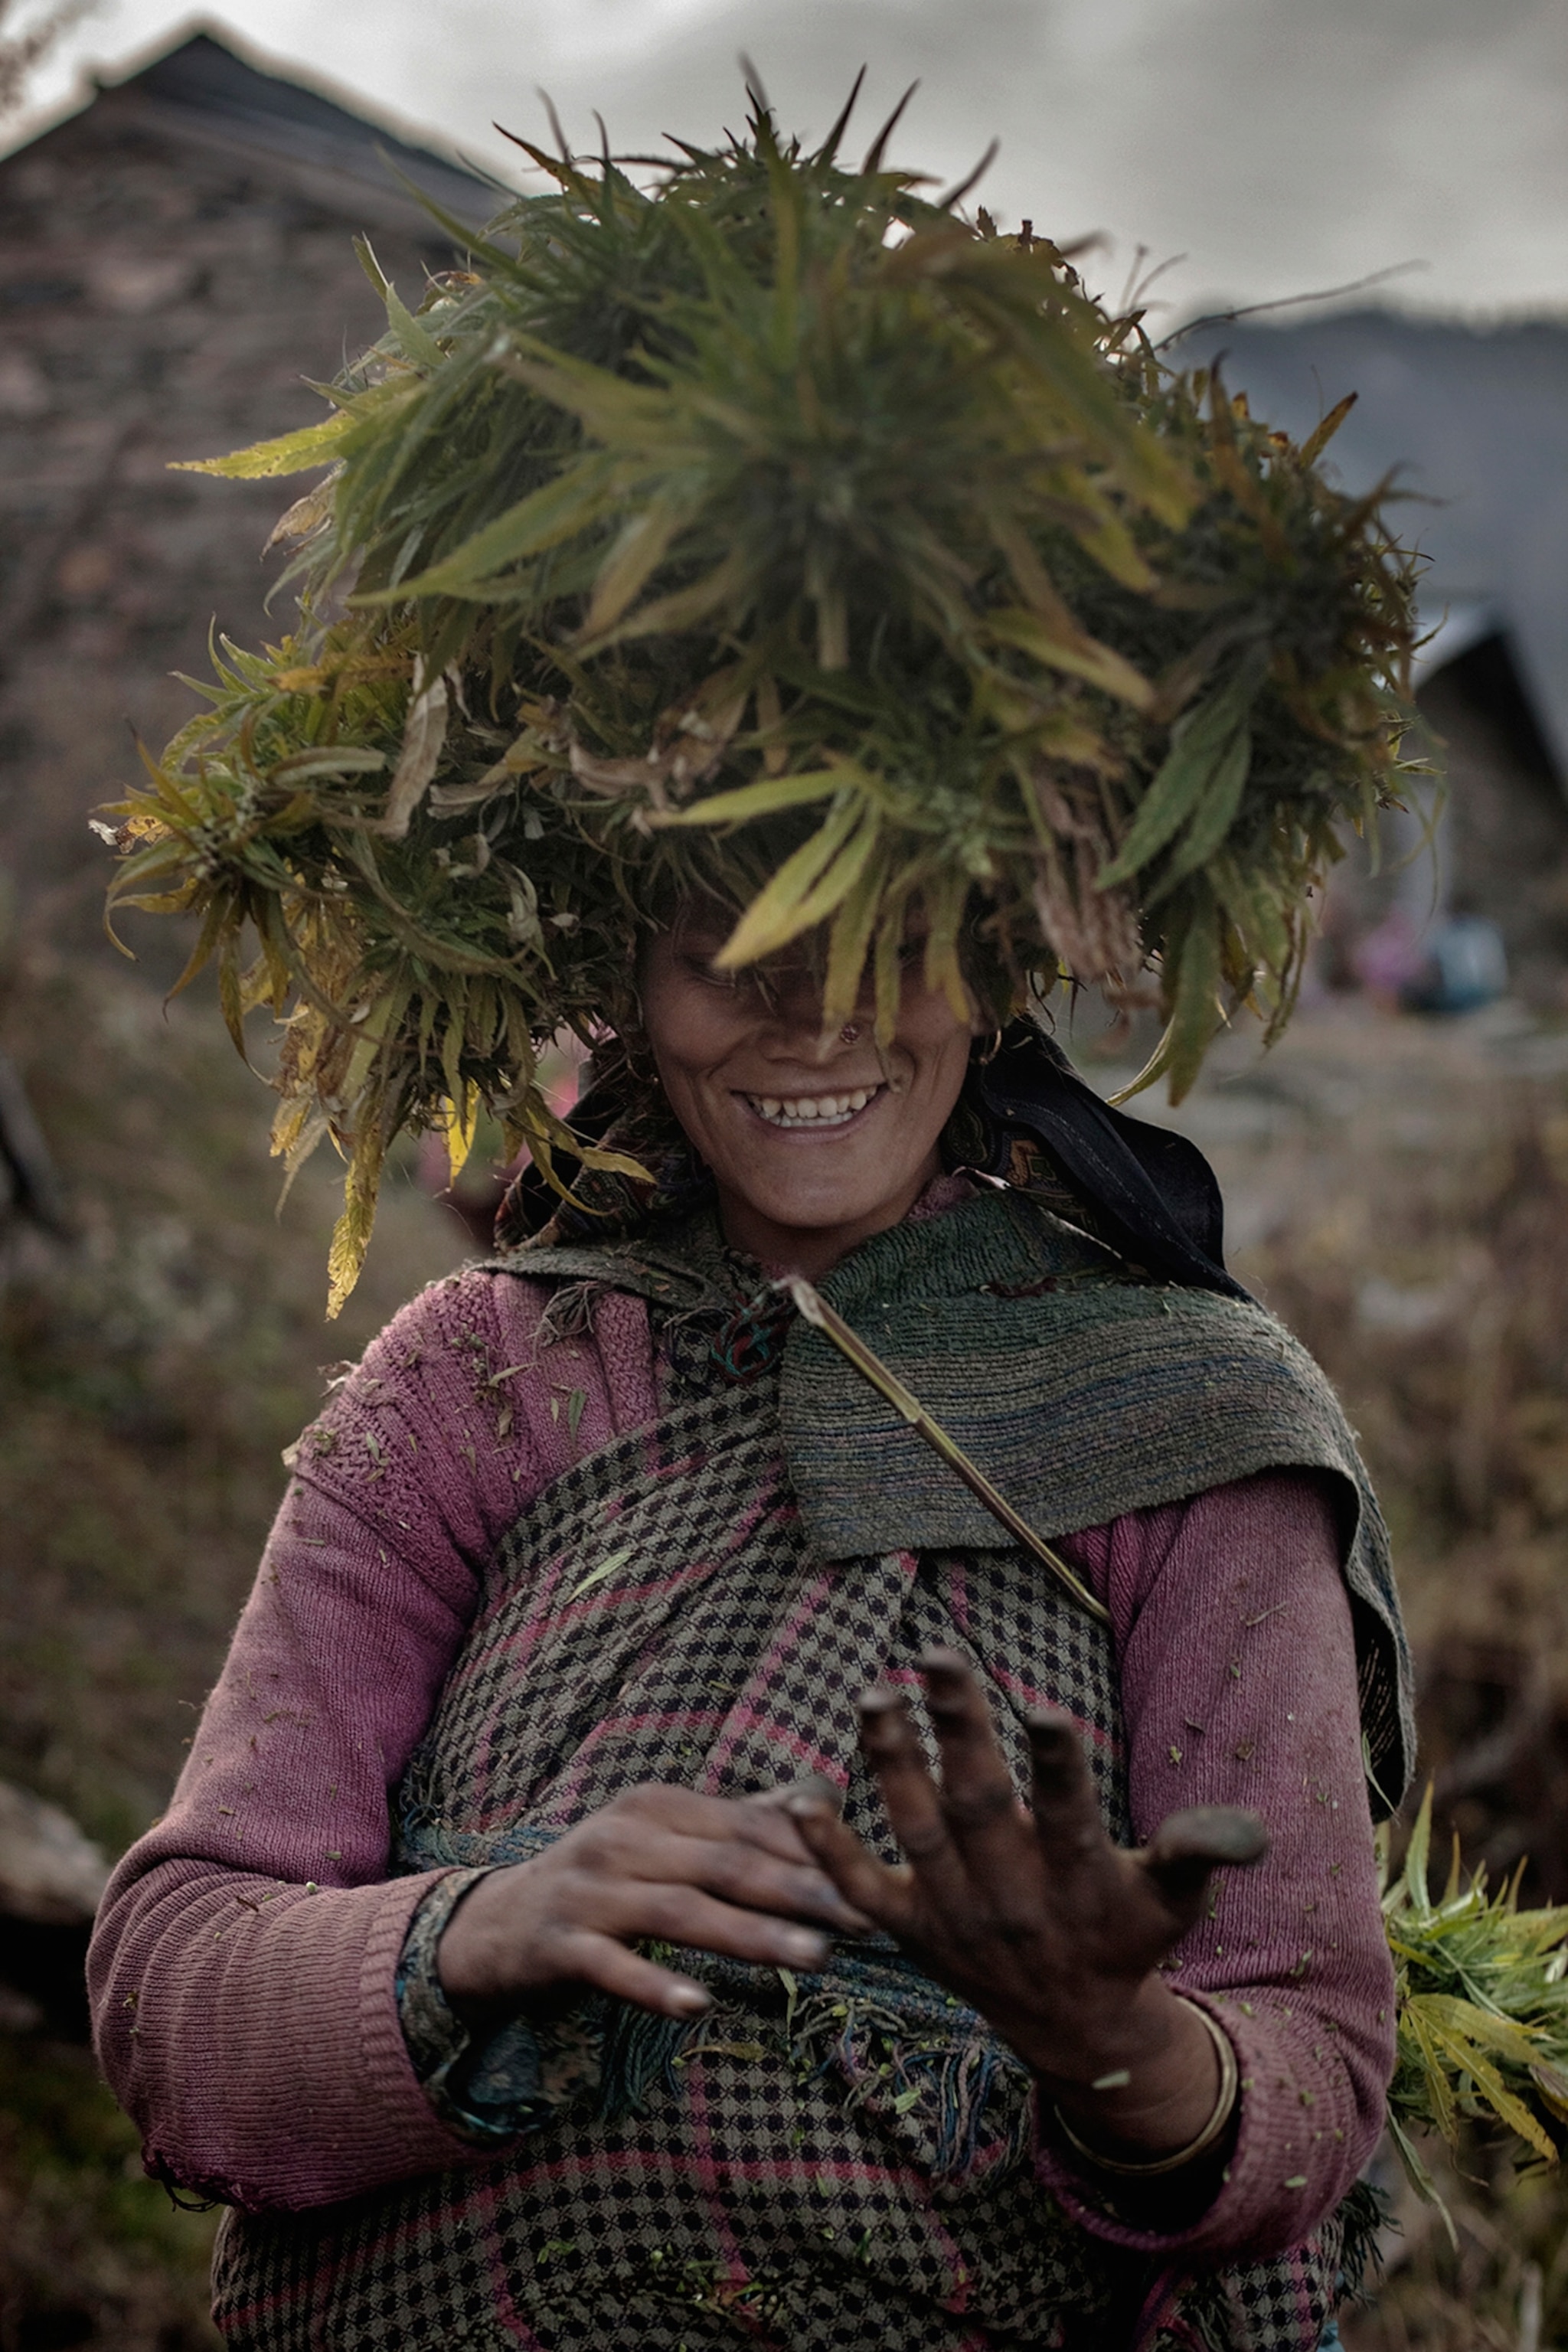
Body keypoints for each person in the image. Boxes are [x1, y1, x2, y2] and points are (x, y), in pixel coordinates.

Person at [89, 897, 1410, 2352]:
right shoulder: (470, 1386)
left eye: (887, 942)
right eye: (726, 953)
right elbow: (176, 1995)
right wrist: (478, 1930)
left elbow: (1309, 2067)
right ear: (629, 988)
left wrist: (1116, 2044)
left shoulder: (1194, 1422)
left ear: (987, 968)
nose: (812, 1017)